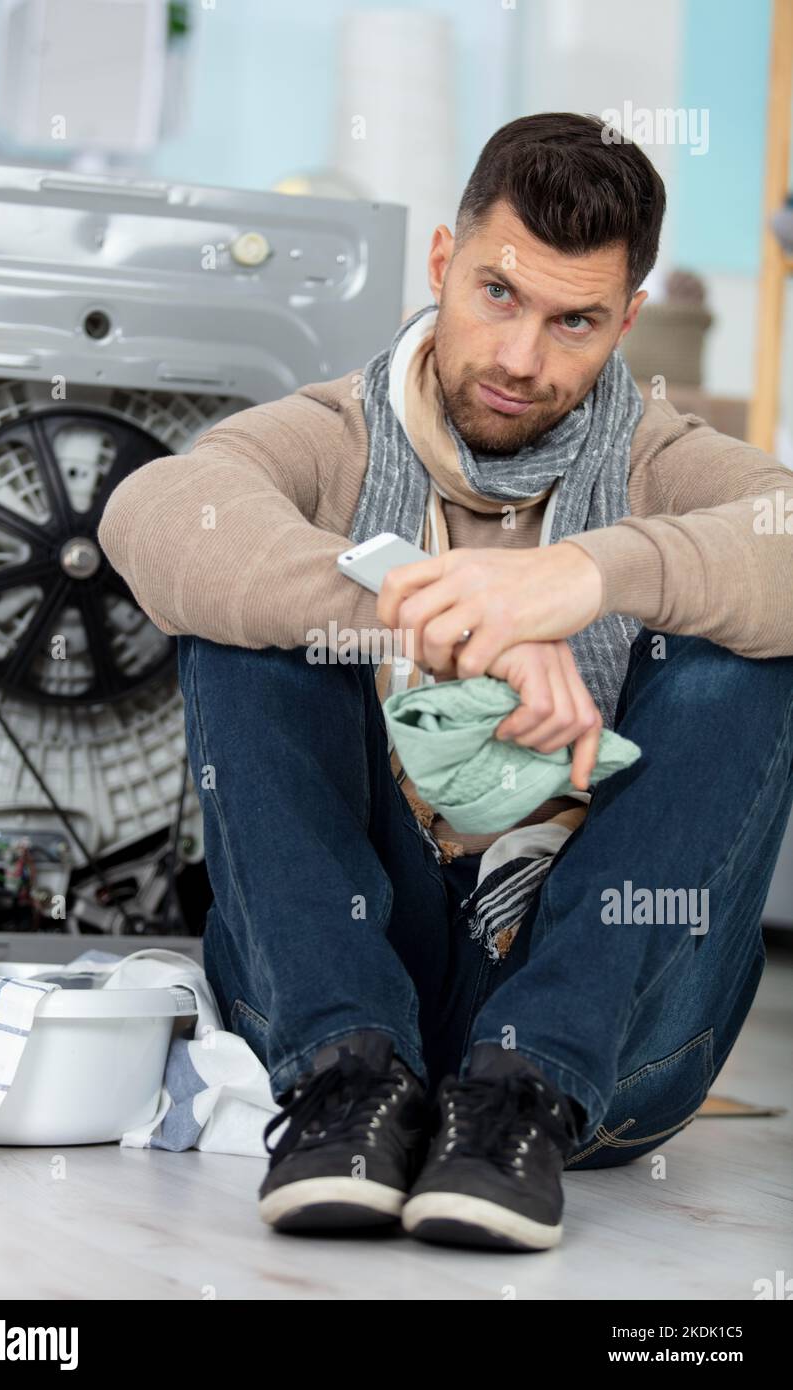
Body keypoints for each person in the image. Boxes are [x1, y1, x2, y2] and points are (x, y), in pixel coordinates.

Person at [97, 112, 793, 1252]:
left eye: (574, 321)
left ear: (625, 319)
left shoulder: (659, 461)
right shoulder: (335, 435)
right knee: (247, 611)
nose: (521, 358)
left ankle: (525, 1083)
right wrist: (435, 614)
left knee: (741, 648)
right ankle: (349, 1074)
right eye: (498, 296)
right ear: (440, 264)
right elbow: (154, 513)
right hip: (350, 979)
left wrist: (582, 576)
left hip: (602, 1023)